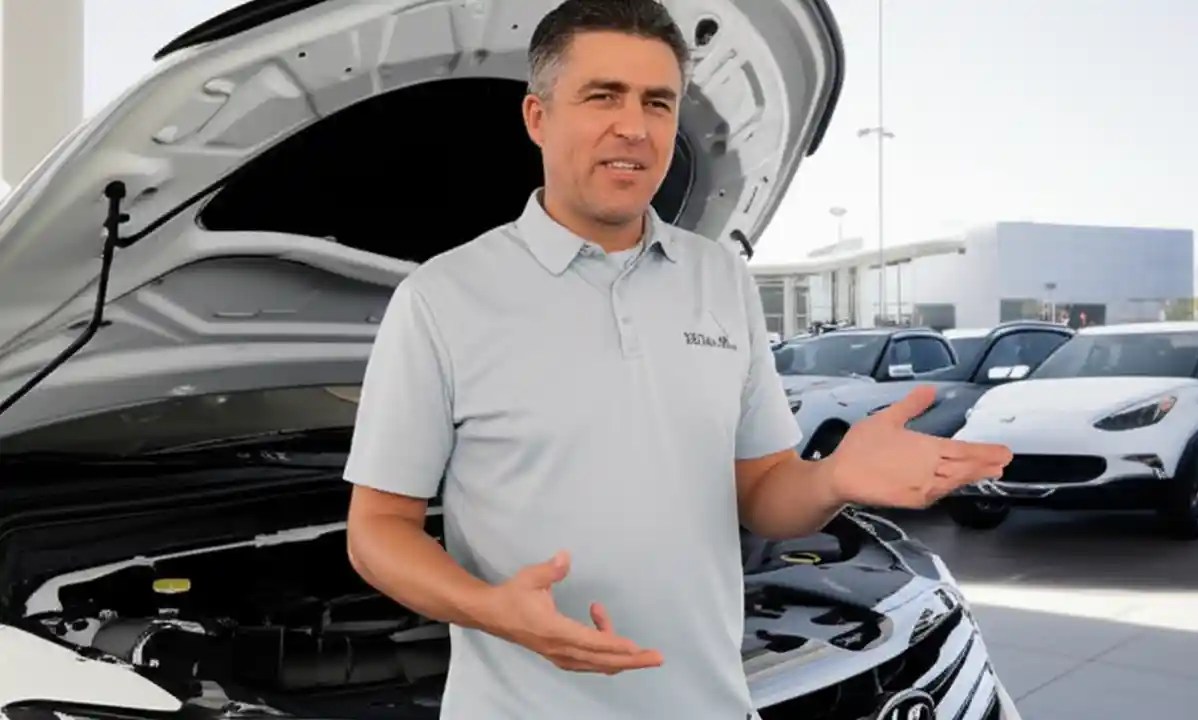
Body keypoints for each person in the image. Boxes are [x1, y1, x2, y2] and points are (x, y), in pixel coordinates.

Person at [341, 1, 1012, 718]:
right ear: (537, 117)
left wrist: (833, 478)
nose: (633, 126)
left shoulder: (720, 280)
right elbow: (377, 530)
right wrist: (490, 609)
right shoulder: (443, 297)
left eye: (656, 102)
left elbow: (763, 493)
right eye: (602, 96)